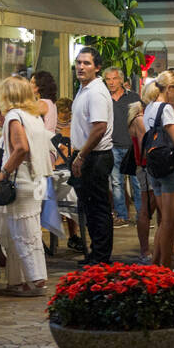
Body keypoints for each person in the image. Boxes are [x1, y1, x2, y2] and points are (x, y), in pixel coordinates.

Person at [0, 76, 54, 296]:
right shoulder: (34, 116)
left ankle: (36, 278)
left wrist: (3, 173)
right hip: (35, 179)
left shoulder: (14, 116)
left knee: (24, 231)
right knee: (22, 231)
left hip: (19, 179)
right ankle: (17, 280)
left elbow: (20, 148)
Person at [71, 46, 115, 265]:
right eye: (79, 62)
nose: (81, 67)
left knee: (98, 209)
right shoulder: (84, 89)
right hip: (88, 155)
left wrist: (81, 156)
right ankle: (96, 254)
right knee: (90, 207)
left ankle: (100, 258)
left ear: (97, 67)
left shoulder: (96, 92)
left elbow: (99, 127)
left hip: (95, 156)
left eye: (86, 63)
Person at [144, 71, 174, 267]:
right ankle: (164, 266)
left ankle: (156, 263)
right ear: (169, 89)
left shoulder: (148, 108)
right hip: (170, 166)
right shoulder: (166, 109)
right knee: (170, 219)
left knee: (163, 219)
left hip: (154, 166)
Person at [105, 67, 138, 228]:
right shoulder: (104, 98)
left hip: (132, 146)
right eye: (108, 79)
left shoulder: (133, 97)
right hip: (113, 145)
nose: (111, 82)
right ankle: (121, 216)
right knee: (116, 183)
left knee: (137, 183)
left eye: (114, 78)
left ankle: (141, 215)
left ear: (121, 80)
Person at [127, 101, 153, 264]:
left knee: (148, 209)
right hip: (145, 167)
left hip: (144, 167)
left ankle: (148, 250)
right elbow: (145, 146)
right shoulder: (140, 119)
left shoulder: (137, 119)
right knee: (146, 209)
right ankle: (145, 251)